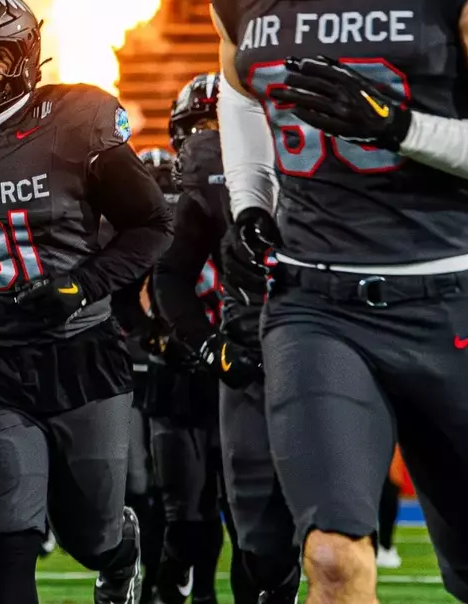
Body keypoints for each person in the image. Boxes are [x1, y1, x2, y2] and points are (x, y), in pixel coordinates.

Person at [193, 0, 468, 603]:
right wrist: (250, 200)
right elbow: (238, 86)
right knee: (333, 560)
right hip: (317, 305)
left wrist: (405, 128)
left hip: (453, 297)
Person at [0, 0, 169, 604]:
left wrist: (81, 285)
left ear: (25, 55)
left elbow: (152, 225)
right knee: (4, 533)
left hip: (79, 351)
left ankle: (118, 552)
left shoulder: (76, 120)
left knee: (90, 534)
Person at [151, 72, 296, 604]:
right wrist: (195, 343)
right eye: (203, 127)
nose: (213, 137)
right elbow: (160, 279)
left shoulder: (313, 152)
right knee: (228, 526)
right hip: (225, 366)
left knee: (319, 527)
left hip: (314, 352)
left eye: (220, 123)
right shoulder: (185, 186)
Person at [133, 145, 228, 604]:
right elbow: (121, 294)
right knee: (176, 505)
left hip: (228, 374)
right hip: (171, 378)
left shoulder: (243, 206)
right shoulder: (143, 225)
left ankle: (205, 591)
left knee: (229, 506)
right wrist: (155, 337)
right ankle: (165, 584)